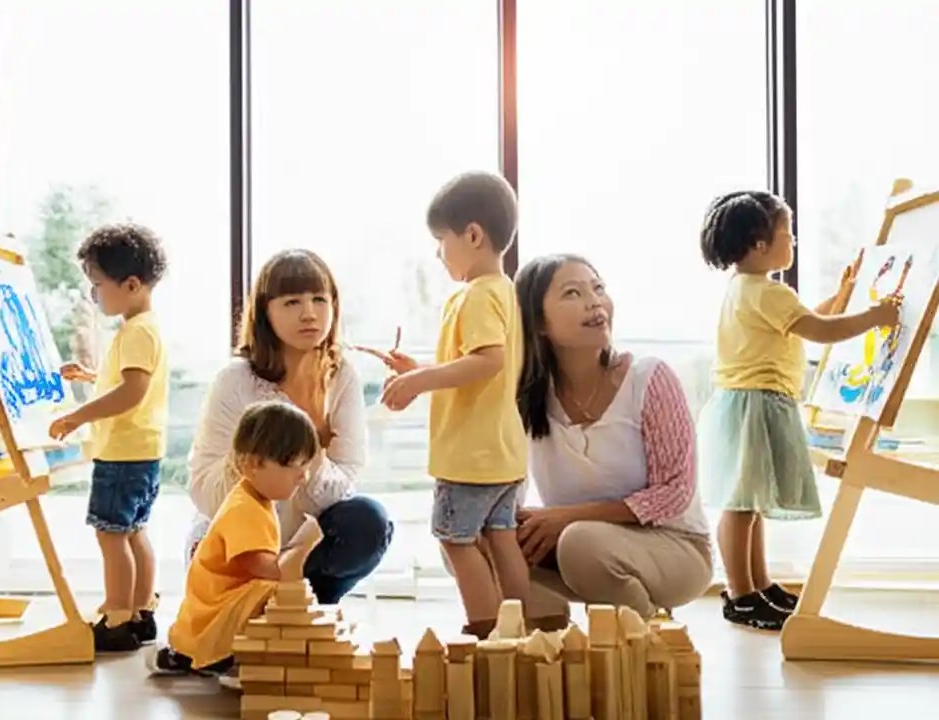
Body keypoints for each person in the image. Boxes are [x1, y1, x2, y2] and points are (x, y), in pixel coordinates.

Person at [698, 191, 899, 629]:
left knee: (749, 503)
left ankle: (756, 585)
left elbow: (803, 322)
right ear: (759, 245)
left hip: (751, 402)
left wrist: (843, 294)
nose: (794, 241)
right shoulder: (767, 292)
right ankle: (741, 593)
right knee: (741, 506)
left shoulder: (749, 288)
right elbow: (820, 330)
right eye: (787, 233)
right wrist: (874, 316)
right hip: (755, 404)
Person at [513, 254, 713, 629]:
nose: (594, 302)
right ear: (538, 322)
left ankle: (647, 640)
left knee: (579, 543)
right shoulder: (528, 398)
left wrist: (567, 518)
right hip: (582, 546)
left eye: (598, 288)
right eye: (573, 293)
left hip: (676, 546)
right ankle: (552, 638)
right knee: (478, 539)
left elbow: (674, 493)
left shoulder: (649, 378)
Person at [186, 249, 392, 606]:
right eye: (292, 302)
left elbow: (342, 485)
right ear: (265, 311)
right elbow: (206, 491)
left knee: (368, 522)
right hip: (239, 542)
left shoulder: (342, 376)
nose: (309, 313)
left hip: (306, 547)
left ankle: (299, 603)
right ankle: (260, 601)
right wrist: (287, 443)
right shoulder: (236, 379)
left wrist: (309, 437)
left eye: (319, 299)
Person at [374, 171, 529, 640]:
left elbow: (487, 361)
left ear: (473, 235)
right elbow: (473, 368)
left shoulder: (476, 296)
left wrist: (420, 380)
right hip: (503, 454)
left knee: (456, 539)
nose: (438, 253)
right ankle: (523, 629)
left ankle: (487, 636)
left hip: (470, 458)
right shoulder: (504, 292)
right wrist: (418, 367)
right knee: (501, 540)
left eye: (441, 241)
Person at [49, 223, 170, 652]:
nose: (94, 294)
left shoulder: (135, 331)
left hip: (122, 453)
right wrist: (91, 376)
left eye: (98, 285)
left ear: (131, 284)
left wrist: (78, 415)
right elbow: (128, 380)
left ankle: (117, 617)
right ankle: (142, 612)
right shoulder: (146, 327)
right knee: (134, 531)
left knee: (111, 535)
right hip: (143, 451)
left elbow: (132, 391)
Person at [150, 400, 324, 676]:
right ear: (254, 464)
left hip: (217, 605)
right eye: (295, 465)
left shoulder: (256, 501)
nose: (303, 477)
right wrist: (303, 544)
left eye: (306, 465)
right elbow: (267, 570)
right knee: (274, 592)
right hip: (215, 611)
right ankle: (228, 655)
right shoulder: (245, 509)